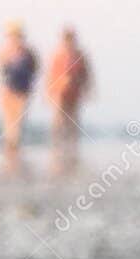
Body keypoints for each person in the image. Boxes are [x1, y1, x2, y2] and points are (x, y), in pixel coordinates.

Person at [45, 26, 91, 174]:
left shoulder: (80, 55)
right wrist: (48, 92)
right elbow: (50, 75)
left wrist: (87, 89)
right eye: (66, 39)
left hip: (74, 93)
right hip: (59, 92)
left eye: (70, 39)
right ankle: (57, 144)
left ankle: (72, 145)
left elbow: (87, 74)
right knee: (58, 120)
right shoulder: (57, 55)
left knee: (73, 120)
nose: (69, 42)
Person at [0, 22, 39, 167]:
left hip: (22, 91)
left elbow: (35, 68)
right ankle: (10, 148)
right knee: (8, 122)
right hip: (8, 90)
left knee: (18, 122)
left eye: (17, 35)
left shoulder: (28, 52)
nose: (15, 38)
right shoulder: (4, 51)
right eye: (12, 35)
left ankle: (15, 149)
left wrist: (30, 84)